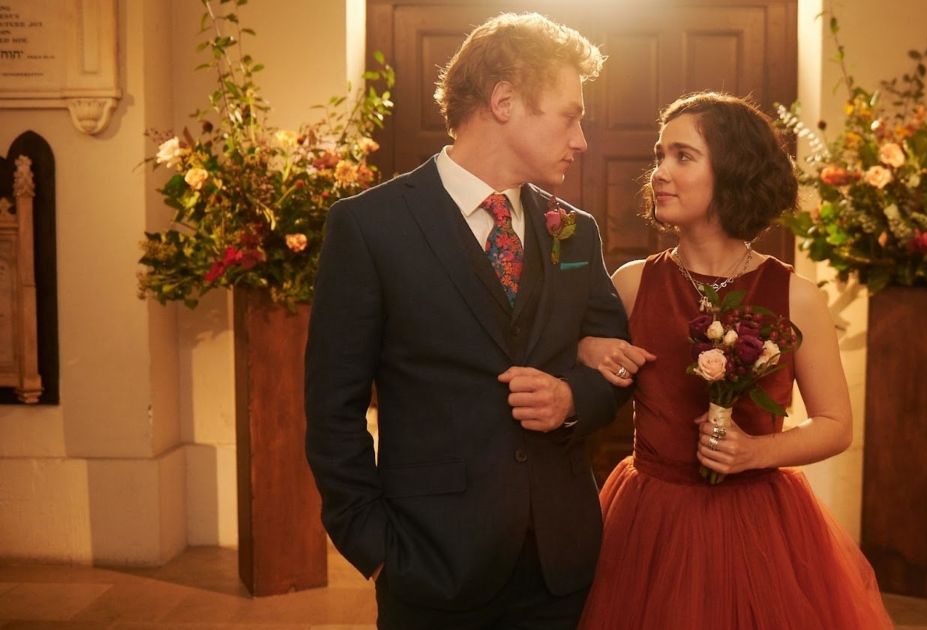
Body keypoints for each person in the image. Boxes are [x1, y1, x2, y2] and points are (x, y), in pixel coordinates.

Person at [304, 13, 629, 629]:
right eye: (570, 116)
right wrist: (374, 548)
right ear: (504, 102)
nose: (581, 139)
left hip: (562, 563)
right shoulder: (370, 228)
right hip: (431, 561)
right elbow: (331, 409)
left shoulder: (575, 232)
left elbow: (617, 363)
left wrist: (572, 398)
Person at [575, 92, 894, 629]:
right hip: (651, 519)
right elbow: (585, 382)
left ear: (732, 171)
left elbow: (836, 425)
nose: (659, 173)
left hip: (758, 523)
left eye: (682, 156)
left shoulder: (795, 296)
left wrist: (755, 452)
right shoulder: (631, 284)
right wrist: (585, 349)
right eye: (659, 155)